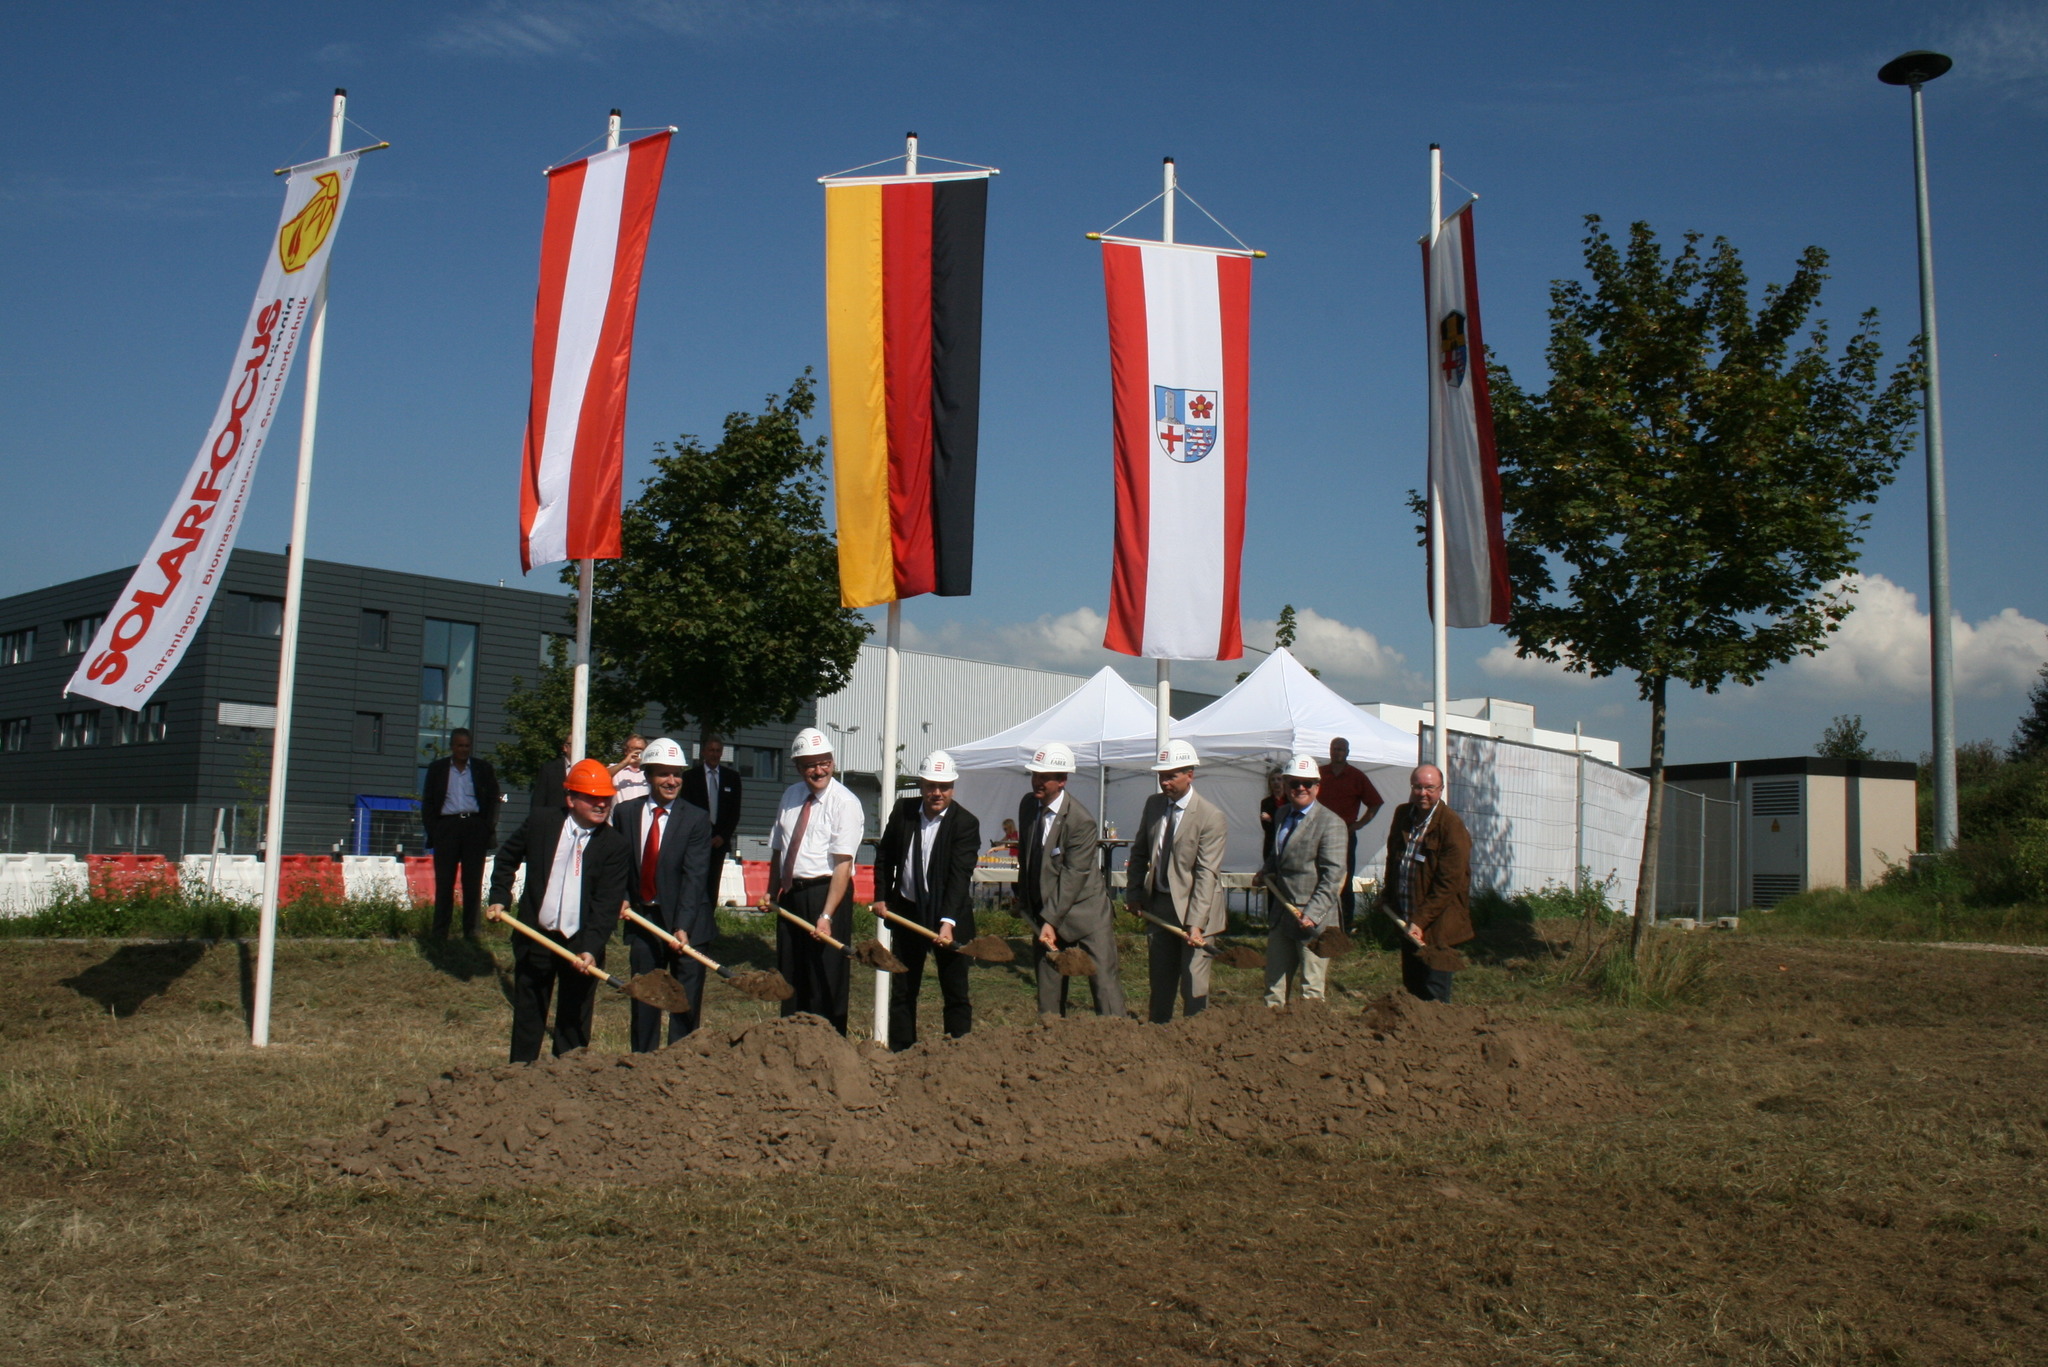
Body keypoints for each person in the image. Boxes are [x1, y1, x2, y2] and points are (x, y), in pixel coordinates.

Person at [488, 759, 634, 1062]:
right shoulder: (542, 823)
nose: (601, 804)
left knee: (574, 1021)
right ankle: (519, 1078)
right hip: (536, 936)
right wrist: (500, 896)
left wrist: (592, 948)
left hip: (579, 944)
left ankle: (569, 1082)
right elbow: (506, 858)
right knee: (529, 1016)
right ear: (571, 799)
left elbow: (606, 904)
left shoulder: (615, 846)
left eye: (605, 798)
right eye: (592, 797)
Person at [874, 749, 982, 1051]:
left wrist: (947, 923)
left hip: (951, 916)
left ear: (952, 787)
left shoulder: (965, 824)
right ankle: (901, 1051)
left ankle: (957, 1054)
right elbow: (885, 855)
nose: (937, 793)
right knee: (904, 988)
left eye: (944, 786)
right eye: (931, 785)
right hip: (908, 911)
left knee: (955, 991)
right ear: (921, 785)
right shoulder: (904, 811)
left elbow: (959, 877)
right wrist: (882, 896)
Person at [612, 737, 713, 1051]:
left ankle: (680, 1062)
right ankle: (642, 1062)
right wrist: (621, 895)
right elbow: (619, 863)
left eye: (677, 774)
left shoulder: (695, 819)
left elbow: (694, 877)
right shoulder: (626, 813)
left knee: (684, 1001)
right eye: (664, 774)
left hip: (689, 921)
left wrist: (682, 926)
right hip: (645, 918)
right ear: (648, 775)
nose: (672, 781)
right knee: (645, 995)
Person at [764, 728, 865, 1034]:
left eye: (824, 762)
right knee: (792, 975)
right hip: (793, 894)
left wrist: (826, 915)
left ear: (832, 762)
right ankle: (791, 1039)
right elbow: (779, 850)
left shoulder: (845, 803)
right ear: (798, 767)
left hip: (827, 894)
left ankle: (828, 1045)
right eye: (810, 764)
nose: (818, 770)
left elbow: (843, 866)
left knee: (826, 975)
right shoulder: (791, 796)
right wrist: (771, 892)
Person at [1015, 742, 1125, 1020]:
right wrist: (1025, 900)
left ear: (1062, 780)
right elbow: (1028, 859)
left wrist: (1050, 920)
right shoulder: (1029, 806)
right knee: (1048, 990)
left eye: (1044, 777)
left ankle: (1119, 1041)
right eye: (1035, 775)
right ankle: (1050, 1039)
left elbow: (1074, 875)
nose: (1037, 782)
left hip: (1086, 915)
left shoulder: (1081, 821)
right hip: (1045, 914)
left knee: (1104, 987)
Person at [1124, 738, 1228, 1023]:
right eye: (1161, 776)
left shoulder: (1210, 817)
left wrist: (1196, 924)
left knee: (1193, 982)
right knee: (1161, 979)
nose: (1164, 783)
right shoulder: (1154, 804)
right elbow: (1140, 850)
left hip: (1197, 909)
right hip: (1159, 906)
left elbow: (1207, 874)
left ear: (1189, 774)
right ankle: (1159, 1033)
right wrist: (1133, 893)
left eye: (1171, 776)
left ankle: (1195, 1036)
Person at [1257, 754, 1349, 1007]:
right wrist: (1266, 871)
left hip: (1313, 921)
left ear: (1317, 787)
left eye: (1307, 783)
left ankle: (1311, 1039)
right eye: (1295, 782)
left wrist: (1312, 913)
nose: (1301, 788)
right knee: (1274, 987)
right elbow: (1279, 855)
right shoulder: (1282, 814)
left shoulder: (1331, 824)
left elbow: (1333, 877)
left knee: (1311, 990)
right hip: (1282, 912)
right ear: (1285, 785)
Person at [1380, 763, 1474, 1003]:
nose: (1423, 793)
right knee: (1413, 989)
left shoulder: (1451, 827)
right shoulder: (1403, 815)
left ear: (1441, 789)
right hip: (1407, 921)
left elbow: (1448, 884)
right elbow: (1394, 860)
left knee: (1435, 993)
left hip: (1438, 927)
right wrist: (1388, 894)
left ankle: (1439, 1038)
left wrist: (1421, 921)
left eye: (1430, 788)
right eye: (1418, 787)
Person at [420, 728, 501, 940]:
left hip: (474, 828)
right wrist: (434, 830)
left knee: (472, 882)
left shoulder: (482, 769)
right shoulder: (438, 769)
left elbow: (493, 799)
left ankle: (472, 932)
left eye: (466, 746)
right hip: (446, 828)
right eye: (459, 745)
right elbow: (428, 802)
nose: (463, 749)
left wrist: (487, 827)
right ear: (452, 746)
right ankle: (440, 932)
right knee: (445, 882)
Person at [1318, 738, 1384, 933]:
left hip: (1344, 834)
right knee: (1318, 876)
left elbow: (1375, 803)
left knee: (1344, 879)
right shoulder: (1320, 774)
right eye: (1334, 749)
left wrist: (1358, 825)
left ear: (1347, 752)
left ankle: (1345, 924)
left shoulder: (1356, 776)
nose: (1336, 752)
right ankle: (1318, 919)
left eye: (1340, 749)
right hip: (1319, 834)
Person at [680, 734, 743, 907]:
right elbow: (686, 810)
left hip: (719, 842)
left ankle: (709, 921)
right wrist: (700, 836)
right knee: (695, 882)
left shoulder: (732, 778)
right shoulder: (690, 777)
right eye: (711, 750)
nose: (714, 754)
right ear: (704, 752)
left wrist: (722, 836)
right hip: (697, 842)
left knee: (712, 884)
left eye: (718, 751)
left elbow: (734, 812)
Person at [532, 737, 571, 813]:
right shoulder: (549, 769)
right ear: (565, 747)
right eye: (574, 744)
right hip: (554, 820)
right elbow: (538, 800)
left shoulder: (590, 771)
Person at [609, 734, 650, 805]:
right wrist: (626, 762)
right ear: (626, 751)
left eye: (642, 749)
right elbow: (601, 776)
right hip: (620, 814)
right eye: (634, 749)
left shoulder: (650, 771)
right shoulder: (616, 768)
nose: (638, 752)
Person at [1258, 768, 1285, 863]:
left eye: (1279, 779)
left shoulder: (1290, 802)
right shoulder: (1266, 802)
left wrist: (1271, 819)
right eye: (1273, 780)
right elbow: (1266, 826)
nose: (1276, 782)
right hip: (1271, 844)